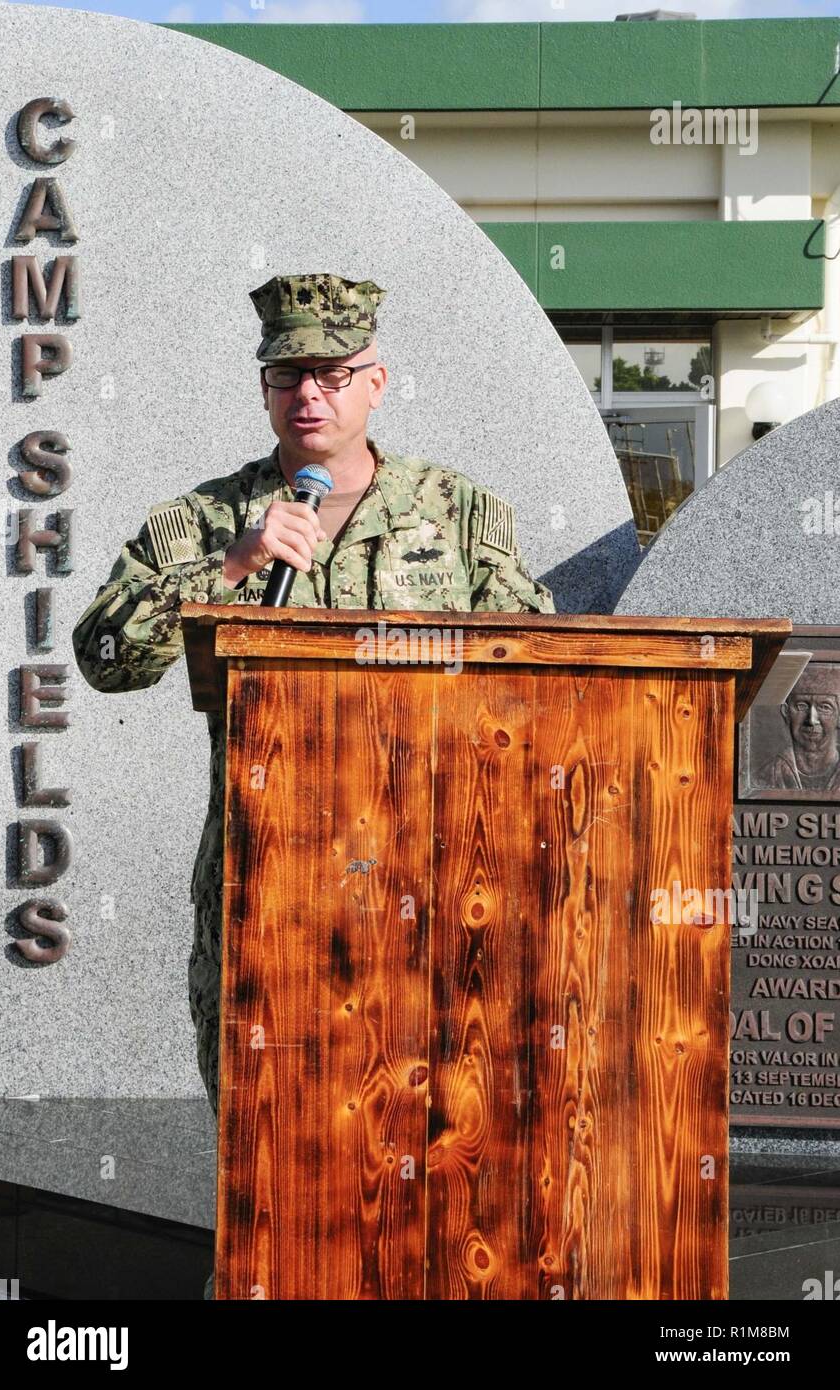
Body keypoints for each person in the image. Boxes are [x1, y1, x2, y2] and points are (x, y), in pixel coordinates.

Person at [71, 272, 556, 1298]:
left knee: (431, 1183)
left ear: (375, 381)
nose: (310, 395)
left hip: (431, 910)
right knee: (269, 1186)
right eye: (289, 374)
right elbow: (103, 651)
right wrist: (233, 568)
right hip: (266, 906)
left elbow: (541, 680)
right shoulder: (204, 520)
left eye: (333, 374)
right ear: (264, 387)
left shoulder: (461, 515)